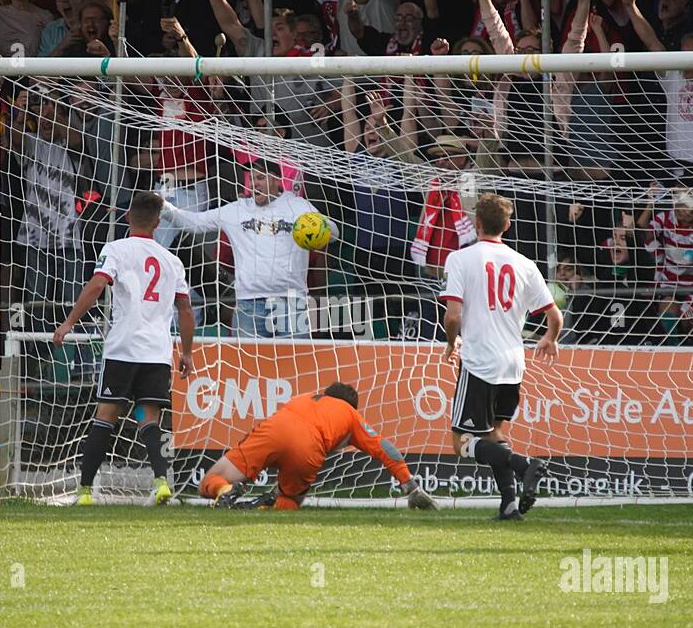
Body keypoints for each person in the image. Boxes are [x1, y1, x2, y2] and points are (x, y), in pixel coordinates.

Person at [53, 192, 195, 507]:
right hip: (157, 354)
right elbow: (185, 310)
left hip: (123, 349)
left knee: (105, 416)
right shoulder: (172, 260)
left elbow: (96, 285)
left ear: (127, 217)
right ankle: (161, 483)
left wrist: (68, 323)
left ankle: (86, 491)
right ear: (158, 223)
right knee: (148, 418)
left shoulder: (116, 249)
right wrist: (186, 352)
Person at [441, 193, 562, 520]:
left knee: (461, 442)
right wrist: (549, 339)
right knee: (494, 434)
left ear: (476, 223)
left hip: (480, 361)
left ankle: (524, 465)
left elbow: (452, 317)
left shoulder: (460, 259)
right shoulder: (525, 264)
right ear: (507, 225)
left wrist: (453, 344)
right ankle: (509, 505)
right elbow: (556, 317)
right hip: (513, 364)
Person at [199, 382, 437, 512]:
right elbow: (387, 450)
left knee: (211, 480)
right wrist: (411, 487)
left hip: (274, 428)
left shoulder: (305, 397)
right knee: (290, 500)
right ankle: (265, 505)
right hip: (308, 446)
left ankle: (223, 491)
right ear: (352, 406)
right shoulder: (351, 415)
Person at [158, 158, 327, 338]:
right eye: (252, 178)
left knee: (296, 363)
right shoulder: (237, 210)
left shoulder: (298, 206)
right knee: (246, 364)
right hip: (248, 304)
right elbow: (195, 223)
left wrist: (320, 229)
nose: (255, 183)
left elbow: (332, 231)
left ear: (277, 179)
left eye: (260, 178)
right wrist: (164, 207)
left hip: (291, 302)